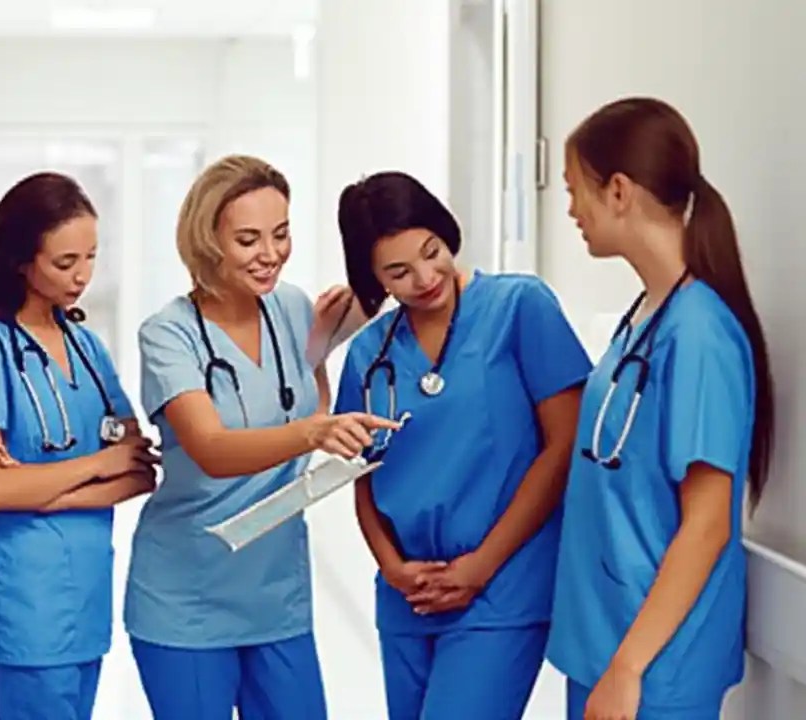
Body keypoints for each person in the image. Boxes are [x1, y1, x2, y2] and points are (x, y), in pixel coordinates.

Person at [125, 155, 399, 720]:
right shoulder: (168, 335)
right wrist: (315, 431)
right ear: (208, 242)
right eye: (248, 239)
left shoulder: (294, 309)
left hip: (276, 597)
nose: (270, 253)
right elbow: (213, 448)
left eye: (280, 233)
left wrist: (319, 363)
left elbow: (372, 305)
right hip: (188, 597)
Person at [331, 171, 590, 720]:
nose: (426, 277)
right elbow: (361, 477)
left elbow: (563, 446)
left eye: (432, 251)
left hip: (501, 589)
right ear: (372, 278)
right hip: (409, 597)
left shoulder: (519, 307)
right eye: (398, 271)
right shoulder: (367, 355)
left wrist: (480, 566)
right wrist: (393, 568)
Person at [547, 97, 774, 720]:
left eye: (576, 191)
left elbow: (707, 525)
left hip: (653, 665)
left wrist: (628, 668)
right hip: (606, 641)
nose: (571, 210)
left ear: (618, 190)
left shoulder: (700, 333)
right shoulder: (646, 318)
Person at [0, 171, 159, 720]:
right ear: (21, 260)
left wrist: (36, 489)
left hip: (83, 609)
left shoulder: (86, 346)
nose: (83, 275)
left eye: (90, 256)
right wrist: (98, 465)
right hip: (19, 612)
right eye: (65, 263)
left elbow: (140, 472)